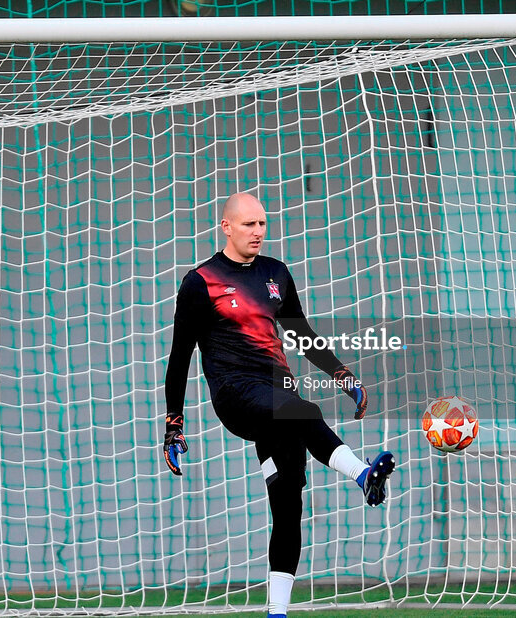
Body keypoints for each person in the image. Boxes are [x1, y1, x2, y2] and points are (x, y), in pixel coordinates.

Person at [163, 192, 396, 618]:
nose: (257, 231)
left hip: (278, 393)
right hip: (236, 396)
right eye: (248, 224)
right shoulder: (201, 282)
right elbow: (180, 358)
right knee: (305, 411)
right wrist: (174, 426)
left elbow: (301, 334)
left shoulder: (277, 274)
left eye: (262, 224)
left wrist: (343, 376)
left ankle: (276, 613)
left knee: (288, 505)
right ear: (226, 226)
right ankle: (363, 475)